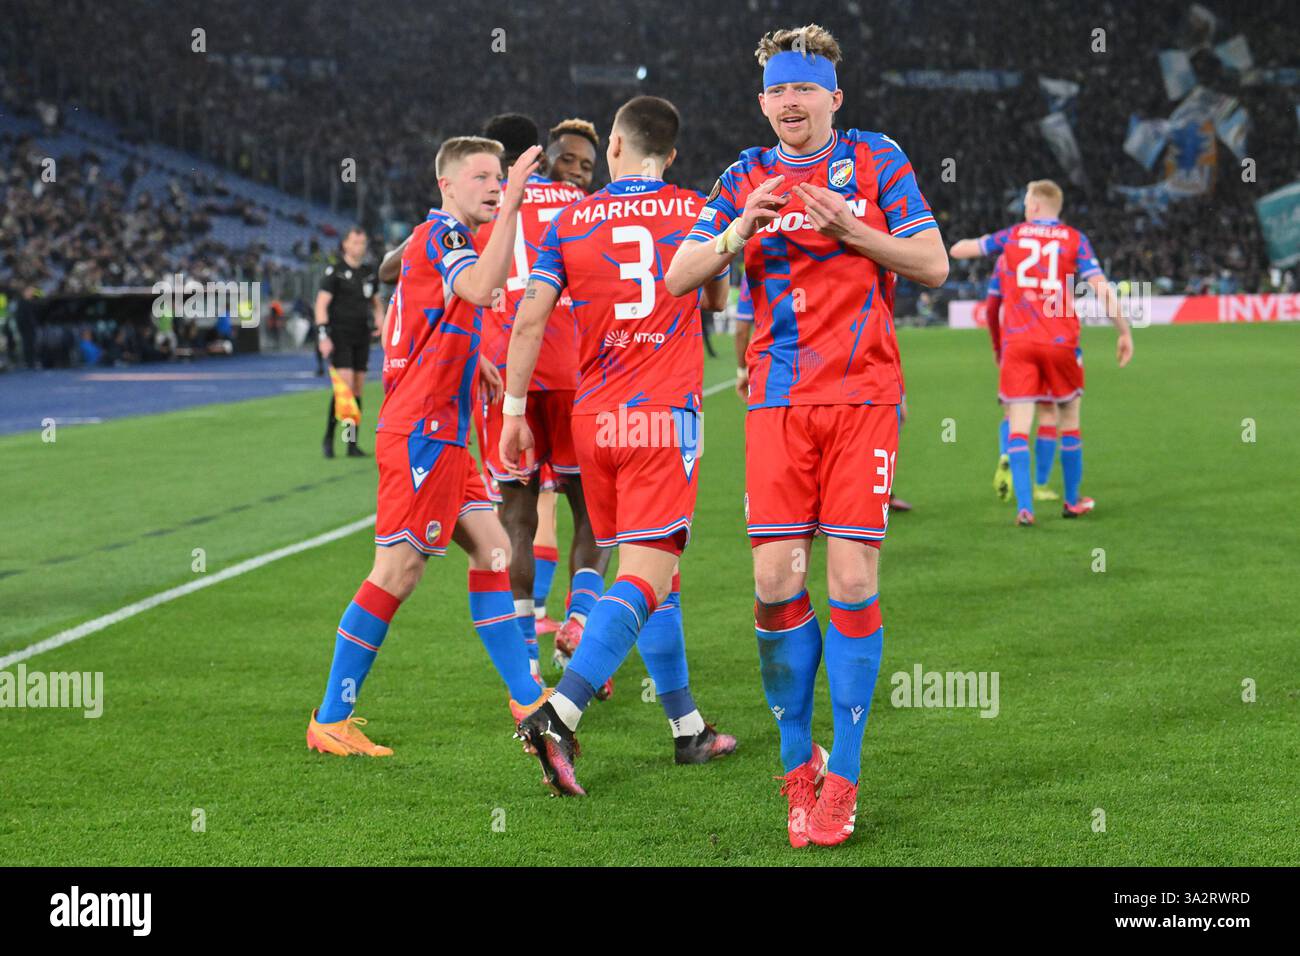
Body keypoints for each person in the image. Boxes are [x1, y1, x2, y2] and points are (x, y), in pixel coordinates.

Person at [665, 24, 949, 847]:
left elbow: (930, 264)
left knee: (852, 580)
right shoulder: (744, 176)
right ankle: (799, 761)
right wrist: (735, 233)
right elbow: (678, 277)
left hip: (863, 397)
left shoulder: (875, 159)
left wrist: (851, 229)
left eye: (806, 88)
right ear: (764, 102)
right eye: (779, 91)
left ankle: (845, 776)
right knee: (774, 583)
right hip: (777, 405)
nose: (792, 102)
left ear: (834, 96)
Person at [503, 95, 737, 795]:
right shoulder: (699, 209)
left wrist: (515, 409)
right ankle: (560, 714)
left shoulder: (571, 219)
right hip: (663, 417)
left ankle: (687, 728)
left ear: (613, 146)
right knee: (646, 572)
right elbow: (715, 302)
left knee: (654, 574)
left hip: (594, 422)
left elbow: (531, 317)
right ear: (671, 153)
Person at [305, 137, 547, 757]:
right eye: (481, 177)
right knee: (397, 571)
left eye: (499, 177)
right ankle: (331, 718)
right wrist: (517, 203)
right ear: (446, 185)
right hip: (419, 435)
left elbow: (433, 320)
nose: (494, 185)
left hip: (444, 435)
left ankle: (527, 696)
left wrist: (476, 368)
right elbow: (476, 287)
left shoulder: (440, 240)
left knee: (494, 553)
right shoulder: (444, 238)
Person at [471, 113, 610, 693]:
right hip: (577, 371)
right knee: (595, 512)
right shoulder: (587, 209)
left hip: (509, 377)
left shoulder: (491, 204)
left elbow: (413, 265)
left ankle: (527, 662)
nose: (575, 169)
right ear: (545, 152)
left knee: (517, 517)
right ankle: (579, 621)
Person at [950, 179, 1133, 524]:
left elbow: (963, 249)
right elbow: (1101, 289)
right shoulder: (1075, 239)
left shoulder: (1012, 236)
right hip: (1060, 340)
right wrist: (1124, 331)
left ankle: (1025, 507)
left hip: (1018, 343)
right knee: (1069, 420)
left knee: (1019, 425)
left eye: (1025, 200)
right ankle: (1072, 501)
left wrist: (952, 244)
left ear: (1034, 205)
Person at [985, 256, 1061, 504]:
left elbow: (991, 307)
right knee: (1049, 413)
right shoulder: (1054, 252)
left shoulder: (1005, 257)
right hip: (1049, 340)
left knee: (1012, 414)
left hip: (1014, 343)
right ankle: (1040, 484)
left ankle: (1006, 455)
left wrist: (998, 346)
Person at [315, 227, 383, 458]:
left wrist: (380, 320)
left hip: (361, 335)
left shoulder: (367, 272)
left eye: (362, 243)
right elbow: (321, 304)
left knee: (356, 390)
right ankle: (329, 438)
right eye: (355, 243)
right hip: (340, 336)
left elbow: (376, 302)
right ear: (345, 244)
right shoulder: (335, 272)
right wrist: (323, 335)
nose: (359, 247)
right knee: (343, 389)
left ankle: (351, 444)